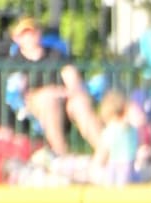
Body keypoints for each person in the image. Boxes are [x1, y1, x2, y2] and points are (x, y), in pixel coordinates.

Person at [7, 16, 102, 156]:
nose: (29, 38)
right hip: (39, 105)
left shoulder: (55, 54)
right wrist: (49, 93)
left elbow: (73, 81)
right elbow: (23, 94)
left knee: (80, 102)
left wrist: (57, 92)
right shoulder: (16, 62)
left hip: (65, 99)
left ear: (39, 33)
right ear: (17, 38)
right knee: (49, 102)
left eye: (32, 33)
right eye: (24, 34)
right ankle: (62, 155)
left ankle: (105, 154)